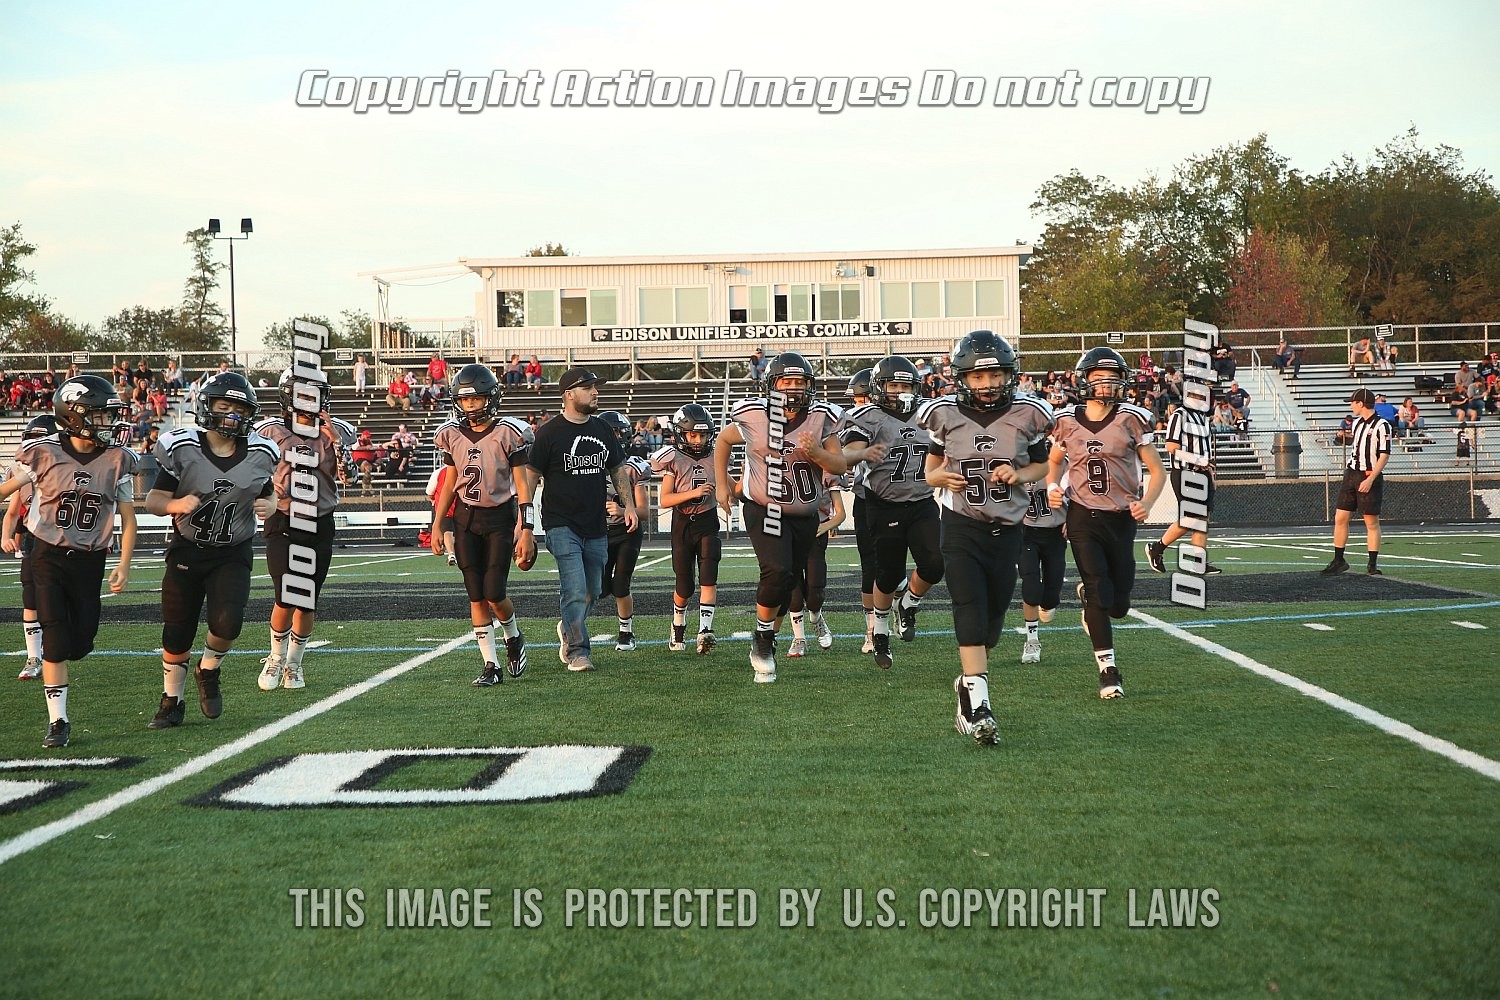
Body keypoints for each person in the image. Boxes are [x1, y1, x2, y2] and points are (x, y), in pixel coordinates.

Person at [918, 330, 1054, 743]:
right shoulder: (942, 414)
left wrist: (1020, 474)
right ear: (962, 379)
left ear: (1009, 374)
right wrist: (941, 477)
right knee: (969, 610)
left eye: (995, 374)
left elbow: (1041, 468)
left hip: (1008, 528)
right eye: (978, 377)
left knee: (992, 625)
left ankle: (967, 683)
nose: (988, 384)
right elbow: (931, 471)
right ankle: (978, 707)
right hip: (961, 525)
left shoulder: (1029, 414)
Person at [0, 375, 138, 748]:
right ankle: (58, 721)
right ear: (75, 415)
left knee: (81, 642)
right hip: (46, 553)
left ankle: (64, 676)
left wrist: (123, 564)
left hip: (90, 559)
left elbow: (128, 517)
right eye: (100, 415)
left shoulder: (116, 459)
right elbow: (7, 491)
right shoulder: (44, 452)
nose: (108, 423)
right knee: (56, 639)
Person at [144, 372, 278, 730]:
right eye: (224, 406)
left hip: (232, 551)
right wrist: (176, 505)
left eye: (239, 409)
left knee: (228, 624)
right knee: (177, 631)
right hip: (187, 549)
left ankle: (209, 670)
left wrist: (273, 505)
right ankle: (172, 700)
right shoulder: (183, 448)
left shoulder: (261, 453)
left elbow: (267, 492)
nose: (232, 415)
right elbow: (153, 499)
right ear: (207, 407)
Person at [715, 351, 846, 683]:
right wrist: (722, 484)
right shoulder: (753, 415)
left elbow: (840, 466)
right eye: (787, 382)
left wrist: (818, 453)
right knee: (777, 571)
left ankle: (768, 638)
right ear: (771, 386)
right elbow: (723, 441)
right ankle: (761, 641)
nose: (794, 388)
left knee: (788, 582)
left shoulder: (822, 418)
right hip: (765, 507)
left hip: (804, 514)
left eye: (800, 382)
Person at [1047, 346, 1166, 700]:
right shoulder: (1067, 420)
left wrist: (1146, 502)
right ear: (1085, 382)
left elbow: (1157, 471)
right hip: (1082, 514)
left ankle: (1093, 602)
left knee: (1119, 604)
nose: (1107, 386)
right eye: (1099, 379)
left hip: (1121, 517)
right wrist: (1054, 485)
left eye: (1113, 379)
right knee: (1099, 587)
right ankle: (1108, 671)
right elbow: (1055, 462)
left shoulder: (1132, 419)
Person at [431, 363, 536, 686]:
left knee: (494, 593)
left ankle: (513, 635)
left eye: (476, 399)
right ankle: (491, 665)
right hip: (465, 518)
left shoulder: (509, 432)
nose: (470, 406)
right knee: (476, 596)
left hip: (499, 519)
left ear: (490, 398)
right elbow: (450, 482)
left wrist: (527, 529)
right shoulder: (450, 434)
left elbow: (523, 485)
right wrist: (438, 522)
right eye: (465, 401)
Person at [255, 368, 358, 692]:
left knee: (307, 599)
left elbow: (350, 478)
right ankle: (275, 657)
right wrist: (270, 490)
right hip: (283, 518)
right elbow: (254, 473)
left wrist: (337, 444)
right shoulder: (269, 431)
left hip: (319, 520)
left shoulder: (336, 430)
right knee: (287, 594)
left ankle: (294, 665)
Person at [838, 356, 944, 670]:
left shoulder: (930, 414)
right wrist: (862, 453)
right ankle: (880, 632)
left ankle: (909, 604)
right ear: (879, 388)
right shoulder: (868, 416)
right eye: (893, 385)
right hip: (883, 504)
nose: (900, 392)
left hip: (922, 501)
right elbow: (846, 452)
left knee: (935, 563)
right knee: (887, 573)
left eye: (905, 385)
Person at [526, 368, 635, 673]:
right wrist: (525, 524)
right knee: (574, 589)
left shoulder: (601, 429)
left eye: (595, 387)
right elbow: (530, 478)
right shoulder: (548, 433)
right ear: (569, 394)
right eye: (588, 388)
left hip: (596, 525)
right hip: (561, 524)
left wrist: (627, 506)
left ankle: (568, 626)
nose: (595, 392)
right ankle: (578, 651)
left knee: (593, 591)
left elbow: (617, 470)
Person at [651, 404, 723, 655]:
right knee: (684, 586)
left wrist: (745, 490)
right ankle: (678, 623)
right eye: (692, 434)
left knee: (709, 575)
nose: (698, 440)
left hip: (707, 520)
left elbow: (729, 485)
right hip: (682, 523)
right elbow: (665, 499)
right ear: (681, 434)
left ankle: (705, 631)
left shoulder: (717, 456)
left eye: (702, 435)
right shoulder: (673, 459)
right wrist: (694, 492)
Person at [2, 415, 59, 680]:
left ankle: (54, 647)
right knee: (30, 597)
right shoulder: (21, 473)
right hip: (34, 539)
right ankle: (34, 657)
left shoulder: (64, 467)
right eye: (32, 440)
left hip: (63, 540)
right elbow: (13, 511)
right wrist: (6, 535)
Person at [1146, 394, 1222, 577]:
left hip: (1202, 473)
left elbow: (1204, 449)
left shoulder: (1202, 418)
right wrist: (1197, 460)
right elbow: (1171, 446)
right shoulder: (1179, 415)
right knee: (1191, 517)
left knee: (1202, 519)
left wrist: (1208, 471)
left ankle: (1198, 563)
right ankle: (1157, 548)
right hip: (1187, 472)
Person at [596, 410, 652, 651]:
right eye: (611, 433)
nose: (615, 438)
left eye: (618, 433)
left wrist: (622, 511)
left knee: (621, 585)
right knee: (599, 588)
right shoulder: (591, 466)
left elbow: (644, 512)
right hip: (598, 533)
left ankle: (626, 633)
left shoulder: (633, 467)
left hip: (627, 531)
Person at [1321, 388, 1391, 577]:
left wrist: (1370, 479)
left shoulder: (1382, 425)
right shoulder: (1357, 423)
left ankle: (1372, 564)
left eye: (1353, 402)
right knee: (1340, 518)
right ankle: (1339, 560)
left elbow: (1384, 455)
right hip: (1352, 473)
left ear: (1361, 403)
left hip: (1369, 474)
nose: (1351, 405)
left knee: (1371, 521)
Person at [785, 472, 846, 657]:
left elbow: (841, 513)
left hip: (816, 533)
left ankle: (817, 618)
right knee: (793, 589)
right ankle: (799, 638)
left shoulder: (827, 471)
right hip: (790, 531)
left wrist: (826, 526)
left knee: (815, 591)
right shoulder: (784, 464)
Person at [840, 369, 878, 652]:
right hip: (866, 497)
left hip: (898, 501)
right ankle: (872, 629)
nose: (856, 403)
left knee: (891, 568)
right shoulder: (854, 420)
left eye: (859, 397)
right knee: (869, 566)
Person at [1017, 453, 1068, 664]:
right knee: (1030, 586)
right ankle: (1032, 640)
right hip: (1025, 532)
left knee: (1050, 597)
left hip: (1055, 532)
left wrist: (1073, 517)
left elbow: (1079, 492)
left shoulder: (1060, 463)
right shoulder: (1014, 460)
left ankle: (1047, 604)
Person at [350, 429, 380, 495]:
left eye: (369, 437)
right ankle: (367, 484)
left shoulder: (369, 442)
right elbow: (355, 448)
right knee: (367, 466)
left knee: (379, 461)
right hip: (360, 458)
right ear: (363, 436)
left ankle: (368, 479)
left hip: (370, 458)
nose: (368, 438)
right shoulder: (357, 441)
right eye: (367, 437)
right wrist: (366, 447)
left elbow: (372, 449)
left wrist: (374, 449)